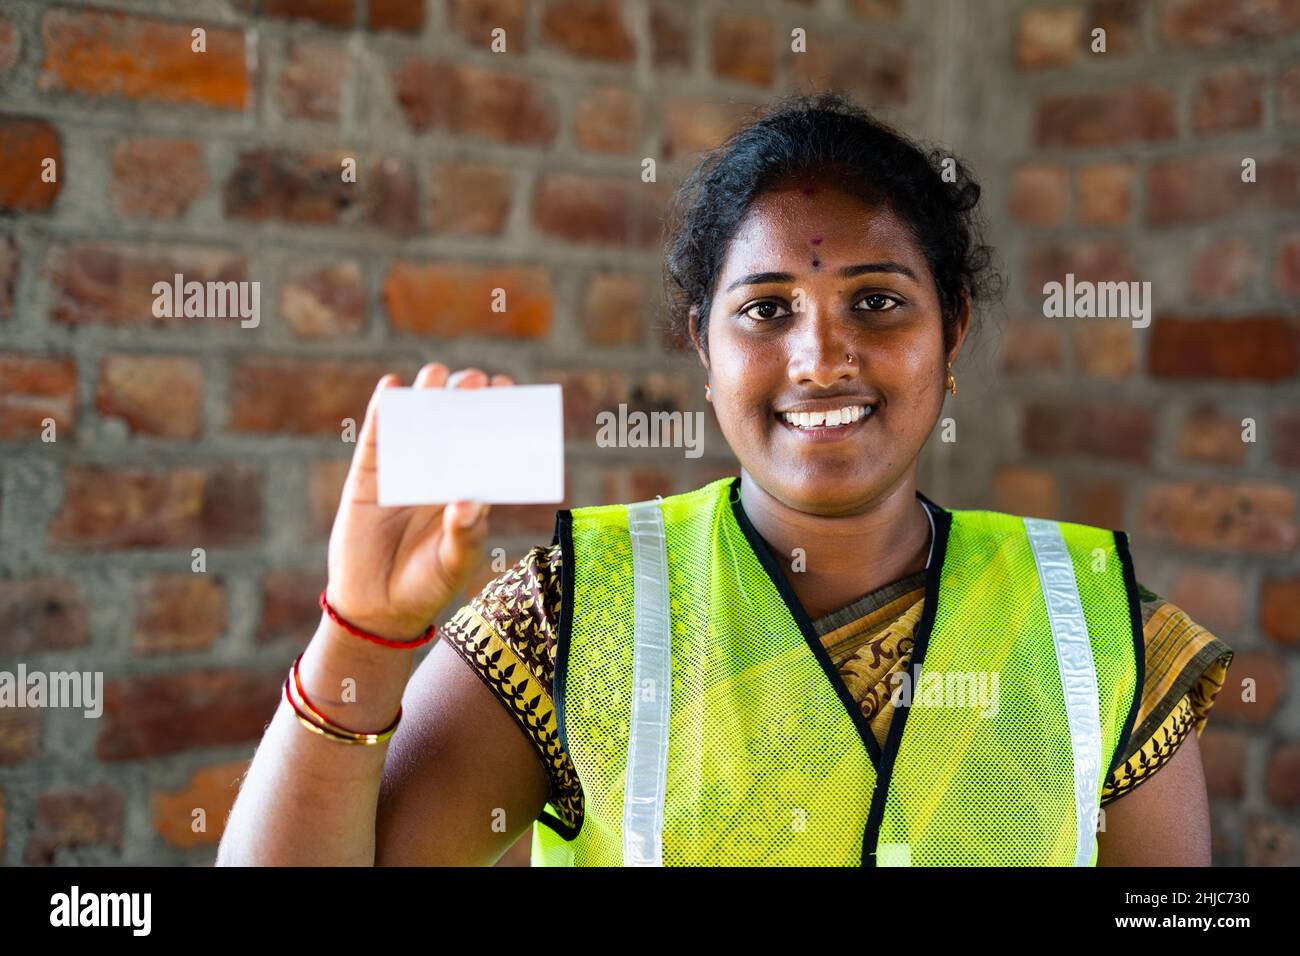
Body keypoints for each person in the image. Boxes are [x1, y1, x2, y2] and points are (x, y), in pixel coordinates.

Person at [217, 92, 1233, 867]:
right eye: (764, 309)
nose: (820, 356)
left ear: (950, 332)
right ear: (701, 343)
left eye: (876, 301)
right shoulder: (575, 613)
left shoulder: (1096, 632)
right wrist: (360, 629)